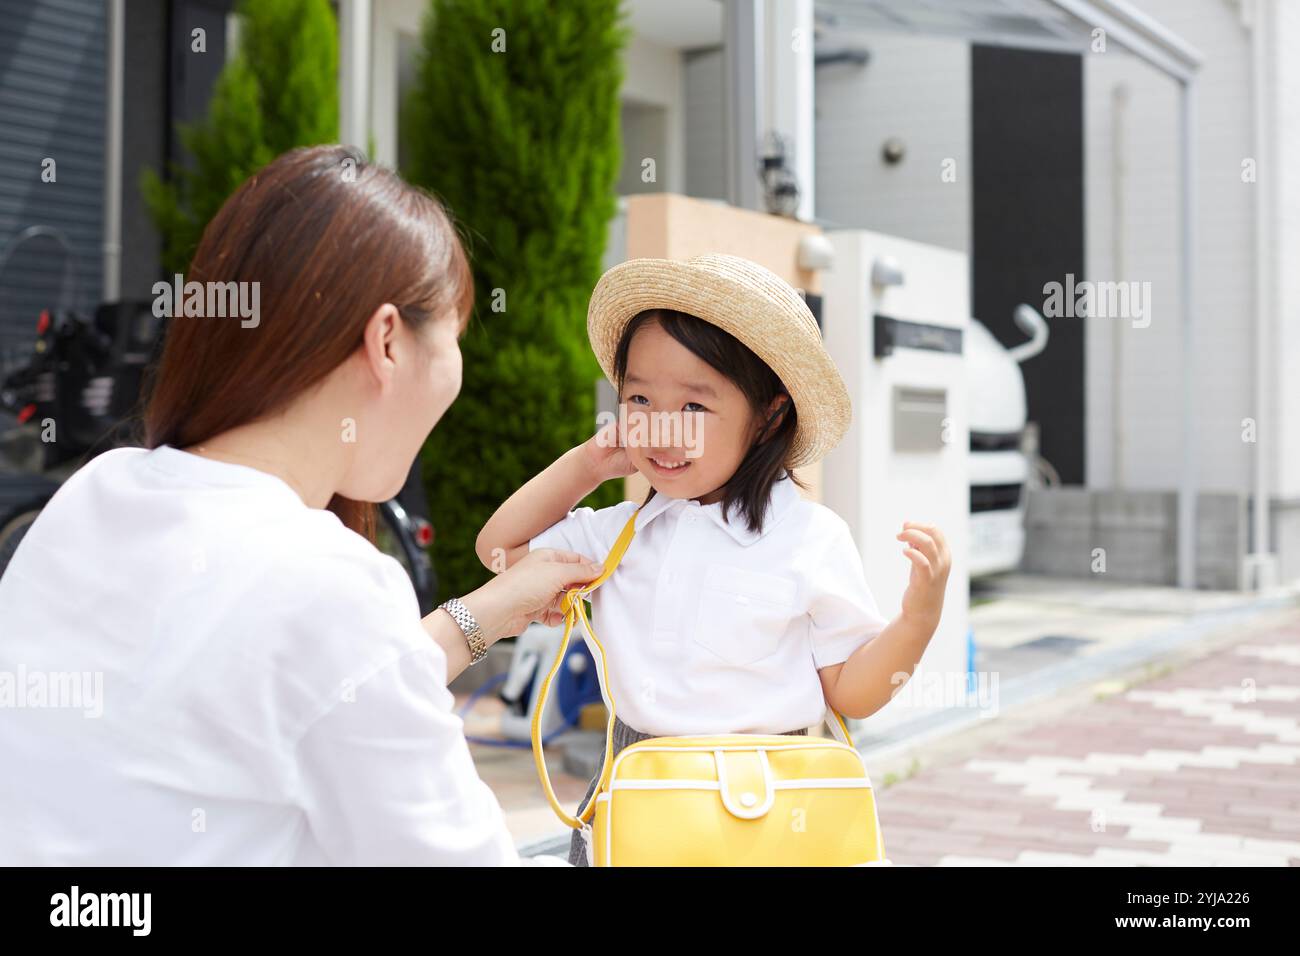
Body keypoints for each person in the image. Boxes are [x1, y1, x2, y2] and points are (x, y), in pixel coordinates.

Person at [0, 144, 598, 865]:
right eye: (455, 334)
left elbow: (320, 686)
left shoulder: (96, 494)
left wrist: (489, 612)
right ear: (386, 341)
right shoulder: (326, 585)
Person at [476, 254, 953, 865]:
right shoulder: (622, 534)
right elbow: (499, 552)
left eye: (695, 408)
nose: (663, 428)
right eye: (640, 398)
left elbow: (853, 692)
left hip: (773, 812)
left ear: (769, 416)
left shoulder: (809, 537)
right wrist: (589, 465)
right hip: (641, 801)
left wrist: (917, 620)